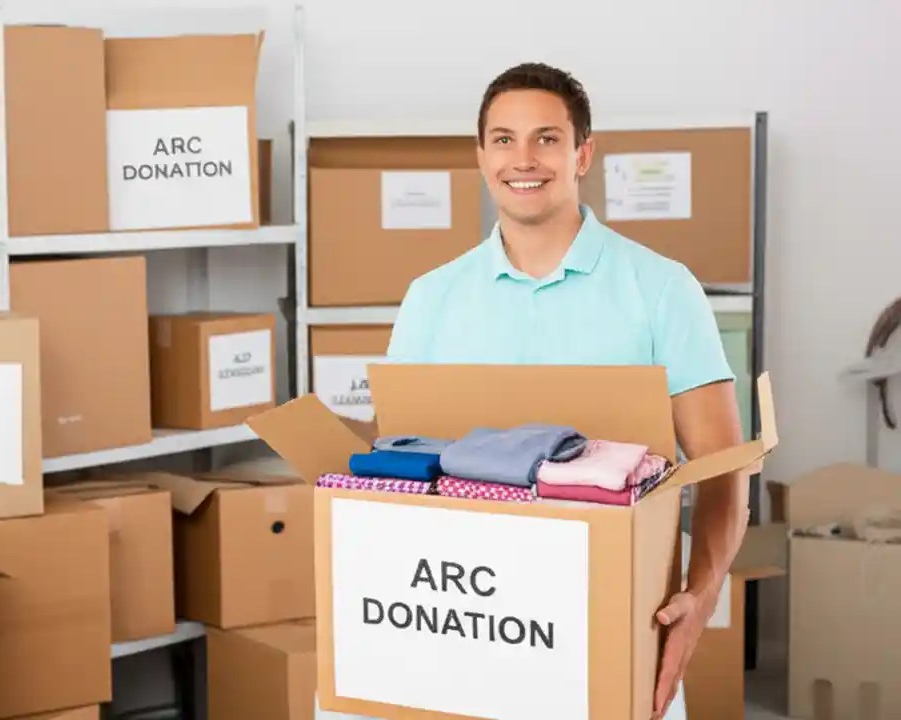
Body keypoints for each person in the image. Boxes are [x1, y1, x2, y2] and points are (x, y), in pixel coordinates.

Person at [317, 63, 749, 720]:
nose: (524, 159)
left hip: (612, 613)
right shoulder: (432, 297)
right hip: (463, 621)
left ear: (583, 153)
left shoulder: (661, 289)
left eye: (546, 139)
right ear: (481, 155)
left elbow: (724, 462)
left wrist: (705, 589)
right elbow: (402, 475)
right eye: (503, 139)